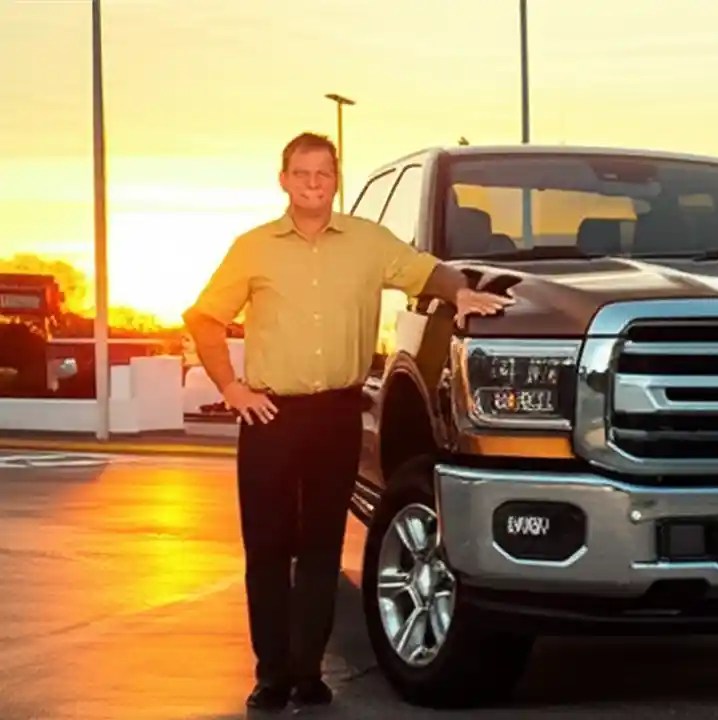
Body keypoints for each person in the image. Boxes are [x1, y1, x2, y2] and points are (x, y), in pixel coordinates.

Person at [182, 132, 514, 712]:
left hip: (337, 413)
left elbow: (424, 271)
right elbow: (205, 317)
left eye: (325, 174)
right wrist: (231, 388)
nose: (314, 184)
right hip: (270, 416)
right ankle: (271, 673)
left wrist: (459, 295)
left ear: (336, 180)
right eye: (302, 174)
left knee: (321, 547)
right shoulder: (252, 248)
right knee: (266, 549)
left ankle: (307, 673)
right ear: (283, 179)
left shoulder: (368, 242)